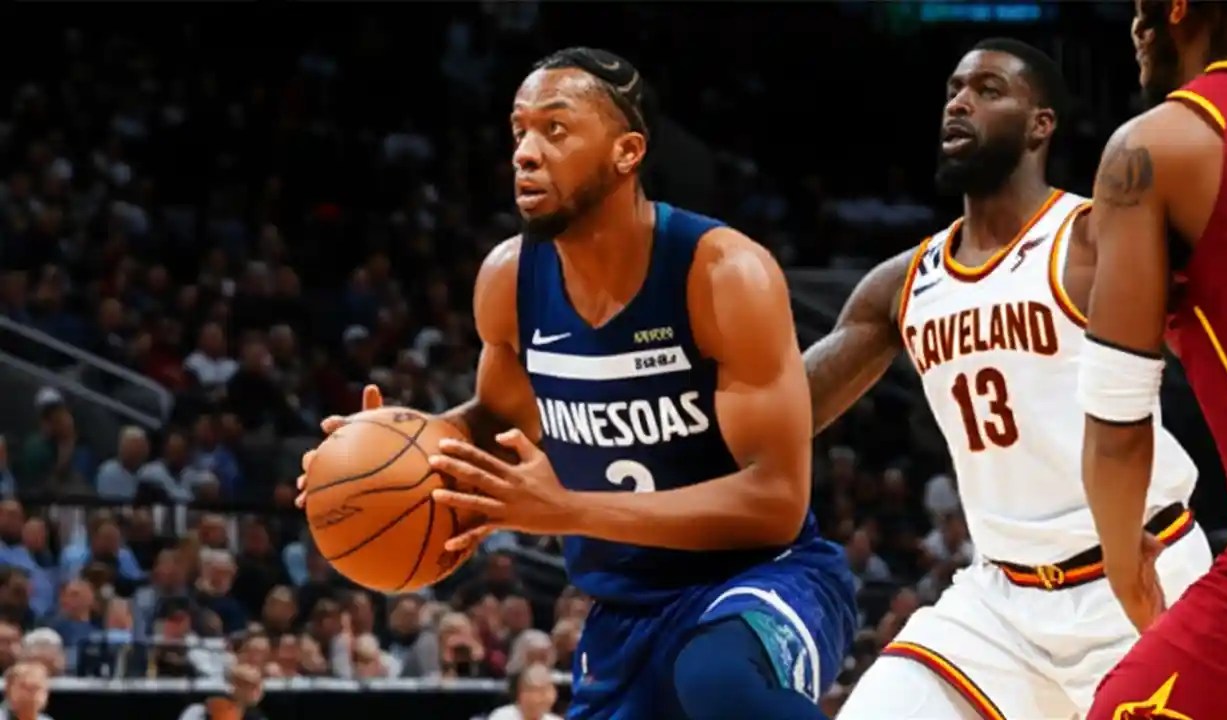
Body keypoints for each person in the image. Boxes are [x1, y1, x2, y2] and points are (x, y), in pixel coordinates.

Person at [296, 48, 856, 720]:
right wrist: (388, 453)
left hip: (765, 579)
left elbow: (775, 503)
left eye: (555, 130)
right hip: (623, 611)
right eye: (519, 131)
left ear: (627, 152)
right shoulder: (508, 280)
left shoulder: (723, 274)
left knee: (717, 678)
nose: (525, 154)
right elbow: (496, 422)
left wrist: (570, 509)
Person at [802, 38, 1212, 719]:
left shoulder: (1093, 237)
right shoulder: (903, 285)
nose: (960, 102)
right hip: (999, 606)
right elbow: (785, 414)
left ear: (1039, 124)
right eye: (953, 90)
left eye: (988, 90)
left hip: (1143, 574)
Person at [1079, 2, 1227, 718]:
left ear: (1180, 9)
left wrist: (1122, 561)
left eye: (1143, 8)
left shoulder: (1159, 145)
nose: (1136, 28)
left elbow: (1118, 418)